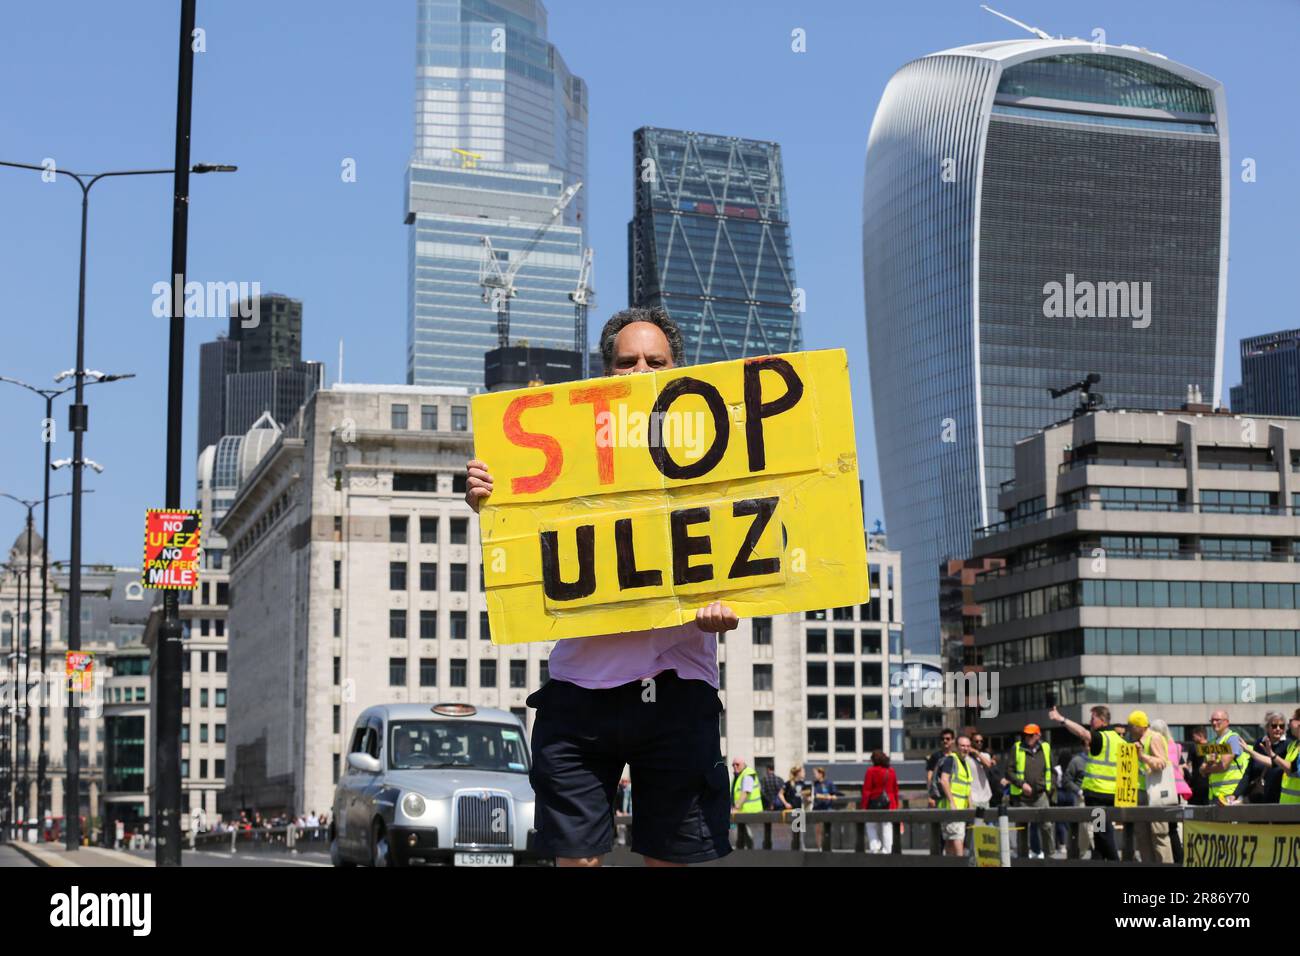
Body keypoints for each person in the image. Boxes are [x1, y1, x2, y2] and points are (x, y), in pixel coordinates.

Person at [467, 308, 740, 868]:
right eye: (626, 361)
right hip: (578, 694)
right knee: (576, 860)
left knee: (672, 860)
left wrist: (731, 604)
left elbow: (753, 540)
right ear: (604, 374)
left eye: (654, 361)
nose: (639, 369)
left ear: (677, 371)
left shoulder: (717, 455)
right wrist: (492, 502)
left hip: (677, 690)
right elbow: (523, 551)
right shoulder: (557, 450)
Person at [1050, 705, 1121, 860]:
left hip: (1097, 794)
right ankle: (1100, 861)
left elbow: (1082, 733)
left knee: (1102, 833)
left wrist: (1062, 719)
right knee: (1100, 833)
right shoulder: (1119, 739)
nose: (1090, 722)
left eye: (1093, 718)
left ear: (1102, 720)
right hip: (1112, 794)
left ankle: (1115, 862)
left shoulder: (1101, 737)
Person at [1125, 710, 1172, 864]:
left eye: (1131, 726)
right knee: (1142, 836)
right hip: (1139, 793)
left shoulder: (1154, 737)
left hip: (1154, 794)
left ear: (1140, 726)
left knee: (1158, 835)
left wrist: (1142, 756)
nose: (1129, 729)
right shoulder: (1136, 741)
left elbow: (1162, 763)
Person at [1007, 723, 1055, 859]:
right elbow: (1008, 772)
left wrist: (1049, 788)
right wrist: (1021, 784)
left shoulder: (1045, 747)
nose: (1027, 737)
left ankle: (1049, 857)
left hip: (1041, 795)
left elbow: (1052, 770)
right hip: (1022, 797)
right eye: (1026, 734)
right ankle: (1022, 859)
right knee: (1022, 829)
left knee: (1047, 827)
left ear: (1038, 735)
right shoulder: (1016, 748)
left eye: (1031, 735)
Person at [1151, 718, 1188, 864]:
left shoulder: (1154, 747)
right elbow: (1181, 770)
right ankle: (1179, 860)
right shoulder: (1177, 747)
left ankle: (1168, 860)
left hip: (1161, 791)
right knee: (1173, 828)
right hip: (1177, 791)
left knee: (1161, 830)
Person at [1201, 710, 1249, 804]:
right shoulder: (1211, 743)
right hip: (1215, 795)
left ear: (1227, 722)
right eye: (1212, 720)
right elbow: (1201, 771)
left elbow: (1223, 766)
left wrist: (1207, 768)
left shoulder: (1232, 739)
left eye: (1217, 720)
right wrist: (1205, 768)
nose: (1214, 723)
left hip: (1231, 794)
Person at [937, 734, 974, 856]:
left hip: (960, 809)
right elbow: (944, 780)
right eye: (962, 746)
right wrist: (952, 802)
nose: (965, 748)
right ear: (956, 747)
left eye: (968, 746)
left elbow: (967, 787)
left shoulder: (966, 764)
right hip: (952, 808)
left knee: (951, 841)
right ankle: (961, 864)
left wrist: (971, 805)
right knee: (957, 840)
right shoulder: (951, 760)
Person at [1241, 712, 1288, 803]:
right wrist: (1236, 794)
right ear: (1267, 727)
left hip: (1279, 798)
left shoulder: (1288, 745)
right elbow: (1249, 772)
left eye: (1281, 726)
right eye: (1274, 726)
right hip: (1258, 796)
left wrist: (1250, 751)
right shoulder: (1259, 743)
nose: (1278, 729)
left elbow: (1276, 765)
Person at [861, 750, 899, 854]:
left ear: (873, 760)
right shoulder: (891, 771)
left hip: (874, 802)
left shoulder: (871, 771)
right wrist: (896, 804)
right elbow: (895, 789)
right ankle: (887, 849)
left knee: (871, 825)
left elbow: (867, 790)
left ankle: (875, 847)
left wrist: (864, 806)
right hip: (889, 802)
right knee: (887, 826)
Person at [1057, 748, 1086, 852]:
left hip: (1060, 794)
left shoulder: (1057, 769)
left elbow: (1059, 781)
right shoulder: (1076, 762)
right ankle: (1075, 844)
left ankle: (1063, 844)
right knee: (1072, 820)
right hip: (1071, 795)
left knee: (1061, 820)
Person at [926, 729, 955, 808]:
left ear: (953, 740)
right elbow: (929, 777)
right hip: (938, 796)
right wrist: (930, 796)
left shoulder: (956, 756)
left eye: (948, 739)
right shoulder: (935, 756)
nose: (945, 741)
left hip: (953, 795)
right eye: (942, 739)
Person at [1187, 727, 1210, 805]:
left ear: (1200, 735)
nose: (1193, 739)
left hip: (1196, 783)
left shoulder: (1193, 747)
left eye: (1194, 736)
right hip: (1210, 783)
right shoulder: (1212, 746)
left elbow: (1188, 765)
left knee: (1194, 809)